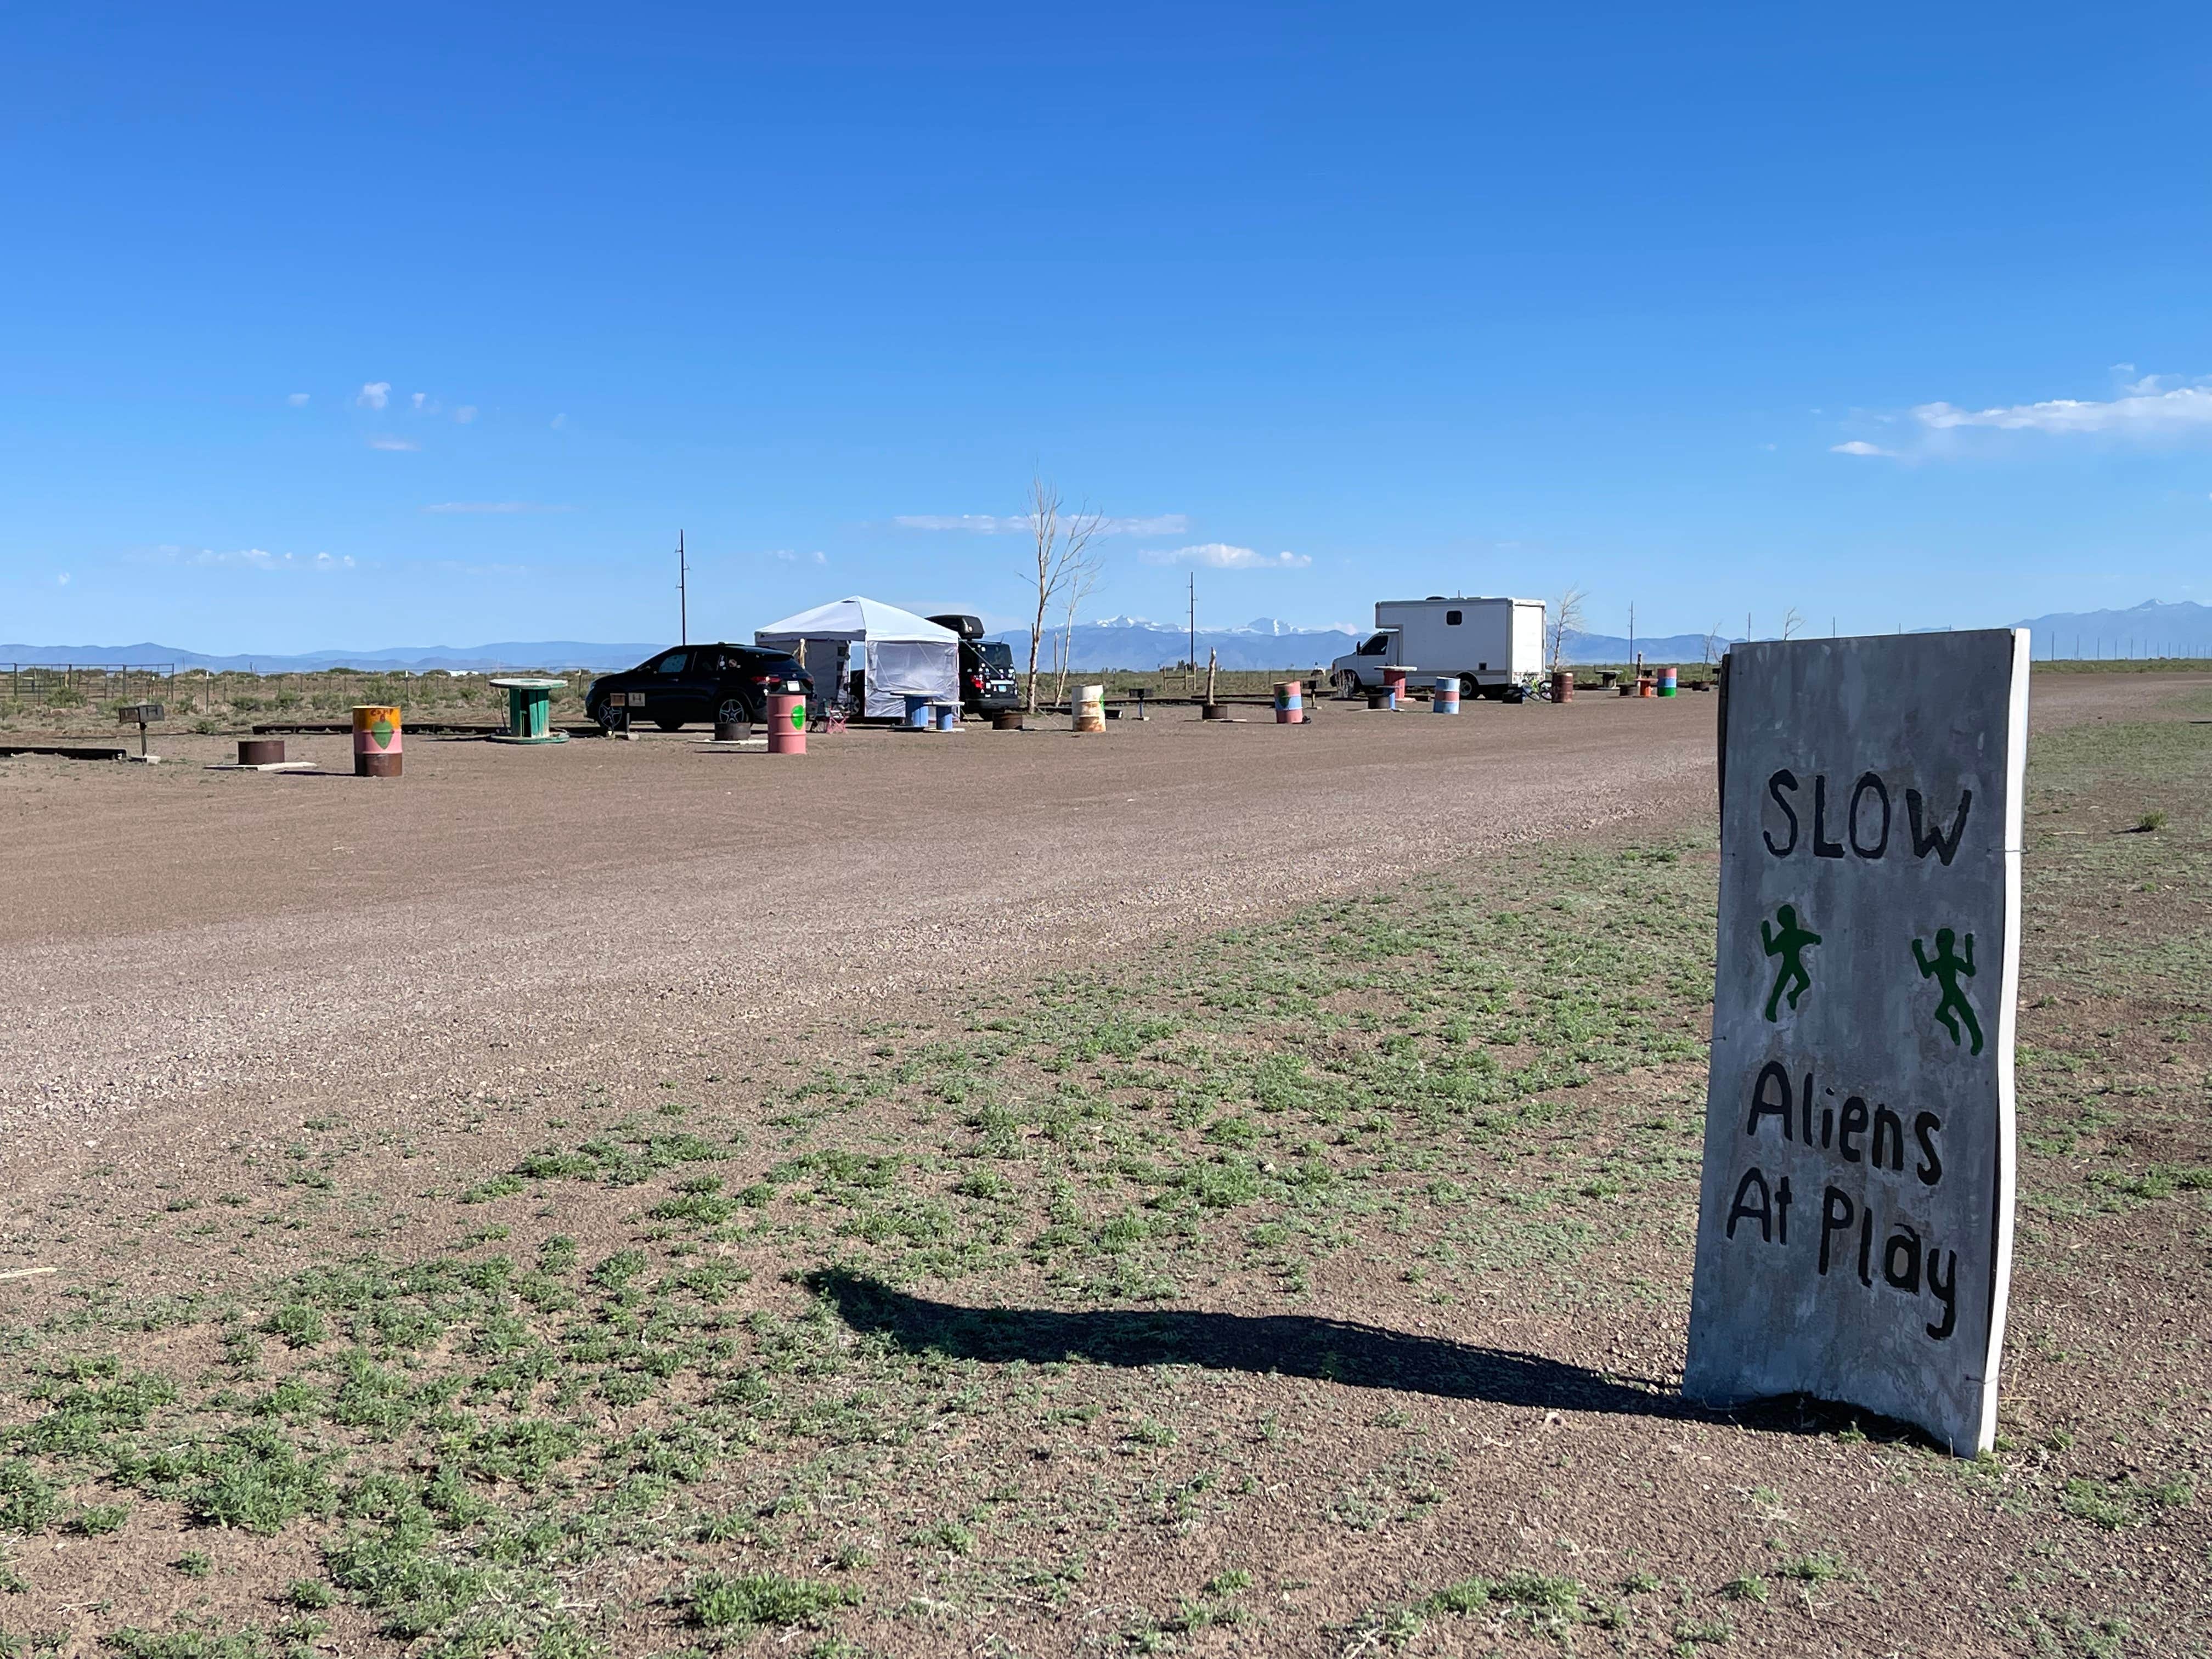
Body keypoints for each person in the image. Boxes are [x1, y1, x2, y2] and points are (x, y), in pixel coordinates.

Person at [1912, 928, 1983, 1055]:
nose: (1942, 947)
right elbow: (1926, 972)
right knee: (1941, 1013)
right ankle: (1954, 1026)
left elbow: (1970, 971)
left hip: (1955, 993)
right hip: (1949, 994)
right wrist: (1918, 951)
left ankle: (1976, 1041)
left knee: (1968, 1017)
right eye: (1940, 943)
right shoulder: (1940, 963)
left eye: (1944, 943)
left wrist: (1969, 947)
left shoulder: (1952, 961)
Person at [1760, 903, 1820, 1022]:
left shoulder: (1796, 934)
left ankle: (1792, 996)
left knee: (1804, 982)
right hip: (1789, 963)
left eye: (1792, 918)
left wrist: (1815, 939)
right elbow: (1770, 951)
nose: (1792, 921)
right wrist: (1766, 934)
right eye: (1789, 919)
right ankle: (1772, 1009)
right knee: (1780, 987)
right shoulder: (1786, 936)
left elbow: (1813, 938)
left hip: (1793, 963)